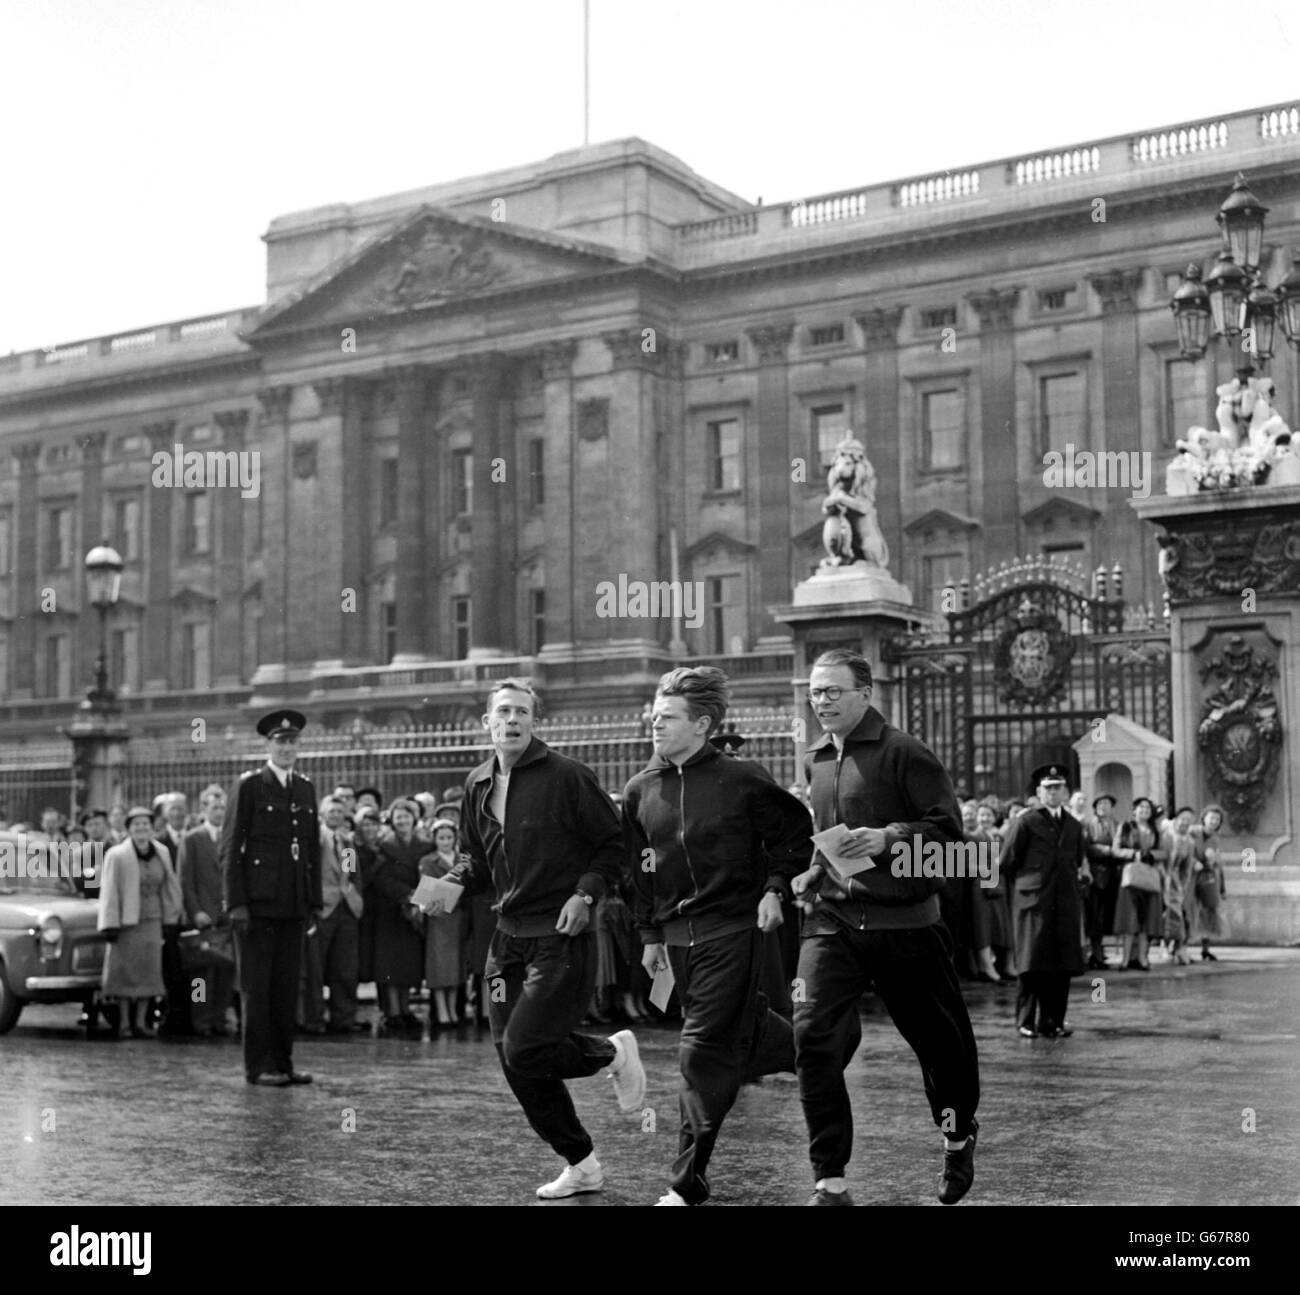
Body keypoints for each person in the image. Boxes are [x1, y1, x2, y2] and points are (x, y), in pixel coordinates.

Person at [434, 678, 644, 1200]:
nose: (512, 720)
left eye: (522, 713)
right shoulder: (476, 784)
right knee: (513, 1057)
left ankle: (609, 1054)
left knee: (526, 1047)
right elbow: (474, 860)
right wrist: (444, 888)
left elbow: (613, 844)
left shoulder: (568, 776)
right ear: (486, 722)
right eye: (502, 712)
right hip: (506, 942)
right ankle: (582, 1163)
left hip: (560, 935)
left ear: (534, 721)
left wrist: (586, 894)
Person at [789, 648, 980, 1207]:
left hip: (906, 925)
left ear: (866, 694)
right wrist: (812, 871)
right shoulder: (815, 758)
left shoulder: (905, 752)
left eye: (833, 691)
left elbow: (949, 840)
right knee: (812, 1035)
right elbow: (829, 836)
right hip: (834, 921)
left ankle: (957, 1135)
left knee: (940, 1046)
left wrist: (889, 837)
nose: (820, 701)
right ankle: (829, 1178)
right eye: (815, 691)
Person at [622, 665, 808, 1207]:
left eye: (668, 717)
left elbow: (794, 838)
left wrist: (776, 887)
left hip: (733, 929)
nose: (656, 724)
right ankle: (807, 1046)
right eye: (653, 716)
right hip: (679, 938)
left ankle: (686, 1180)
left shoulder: (744, 778)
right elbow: (639, 873)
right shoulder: (638, 791)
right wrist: (650, 934)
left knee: (699, 1050)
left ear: (702, 725)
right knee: (737, 1032)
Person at [221, 709, 322, 1087]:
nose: (287, 748)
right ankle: (259, 1065)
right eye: (280, 742)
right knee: (257, 988)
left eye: (293, 741)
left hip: (293, 904)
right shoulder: (249, 786)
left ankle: (283, 1062)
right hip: (257, 905)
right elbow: (231, 847)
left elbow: (311, 850)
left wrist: (312, 902)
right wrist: (236, 903)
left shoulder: (305, 788)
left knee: (285, 987)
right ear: (268, 745)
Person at [999, 766, 1089, 1039]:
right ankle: (1025, 1021)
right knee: (1032, 964)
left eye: (1058, 787)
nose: (1053, 792)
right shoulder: (1026, 821)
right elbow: (1007, 862)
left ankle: (1053, 1021)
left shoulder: (1073, 825)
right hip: (1033, 903)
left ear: (1066, 792)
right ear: (1039, 792)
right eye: (1047, 788)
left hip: (1064, 903)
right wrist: (1029, 887)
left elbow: (1077, 860)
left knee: (1061, 965)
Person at [97, 806, 184, 1038]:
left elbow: (169, 884)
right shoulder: (116, 855)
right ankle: (124, 1022)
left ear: (152, 827)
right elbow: (110, 891)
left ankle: (141, 1021)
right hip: (127, 922)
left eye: (146, 824)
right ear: (128, 829)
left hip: (153, 920)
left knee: (149, 972)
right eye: (136, 825)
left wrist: (172, 916)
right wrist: (110, 923)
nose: (142, 829)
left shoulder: (162, 852)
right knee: (125, 972)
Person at [301, 794, 365, 1034]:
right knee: (315, 971)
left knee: (345, 969)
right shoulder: (315, 841)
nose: (336, 815)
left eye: (340, 812)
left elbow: (350, 874)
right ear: (322, 814)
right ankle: (314, 1020)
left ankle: (344, 1018)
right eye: (331, 811)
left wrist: (353, 897)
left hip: (345, 909)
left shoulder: (347, 842)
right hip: (322, 910)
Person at [177, 785, 236, 1037]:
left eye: (223, 807)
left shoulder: (233, 837)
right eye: (215, 807)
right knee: (201, 975)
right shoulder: (192, 839)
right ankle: (200, 1019)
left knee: (226, 970)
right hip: (203, 916)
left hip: (228, 916)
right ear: (203, 809)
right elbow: (185, 881)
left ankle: (219, 1018)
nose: (220, 812)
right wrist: (195, 911)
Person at [371, 797, 427, 1036]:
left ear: (414, 818)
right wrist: (407, 895)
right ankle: (393, 1012)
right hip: (391, 911)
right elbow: (381, 879)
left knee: (409, 965)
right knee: (391, 966)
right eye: (398, 817)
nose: (403, 820)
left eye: (407, 815)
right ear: (392, 821)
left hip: (415, 913)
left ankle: (405, 1009)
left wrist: (420, 900)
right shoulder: (384, 846)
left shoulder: (425, 845)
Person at [420, 817, 466, 1028]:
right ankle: (442, 1010)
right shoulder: (428, 861)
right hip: (439, 917)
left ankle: (453, 1009)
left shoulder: (463, 859)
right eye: (441, 838)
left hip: (459, 917)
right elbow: (426, 893)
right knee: (439, 966)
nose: (445, 842)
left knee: (457, 966)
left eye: (449, 837)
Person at [1114, 797, 1167, 971]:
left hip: (1149, 877)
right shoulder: (1126, 827)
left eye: (1147, 808)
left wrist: (1151, 855)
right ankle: (1126, 958)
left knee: (1147, 920)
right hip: (1131, 877)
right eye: (1141, 807)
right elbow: (1116, 850)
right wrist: (1134, 854)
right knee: (1130, 919)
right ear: (1134, 810)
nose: (1144, 810)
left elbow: (1164, 852)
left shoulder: (1156, 830)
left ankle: (1144, 958)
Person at [1081, 794, 1123, 969]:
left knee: (1107, 915)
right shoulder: (1089, 825)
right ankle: (1095, 953)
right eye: (1100, 804)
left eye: (1107, 803)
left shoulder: (1118, 825)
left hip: (1113, 874)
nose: (1103, 807)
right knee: (1095, 916)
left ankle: (1100, 952)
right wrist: (1106, 850)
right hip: (1097, 873)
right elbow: (1085, 846)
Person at [1190, 805, 1227, 961]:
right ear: (1203, 818)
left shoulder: (1215, 839)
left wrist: (1223, 887)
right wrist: (1193, 863)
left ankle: (1205, 949)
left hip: (1208, 877)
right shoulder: (1192, 832)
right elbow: (1182, 850)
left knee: (1208, 911)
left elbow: (1218, 864)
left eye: (1217, 819)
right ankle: (1177, 947)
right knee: (1189, 910)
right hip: (1191, 875)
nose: (1214, 821)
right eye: (1211, 817)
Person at [1163, 807, 1198, 965]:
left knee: (1177, 914)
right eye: (1183, 819)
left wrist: (1182, 886)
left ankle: (1178, 946)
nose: (1185, 823)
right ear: (1176, 819)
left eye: (1189, 821)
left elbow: (1187, 867)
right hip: (1160, 877)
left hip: (1175, 881)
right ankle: (1165, 945)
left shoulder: (1189, 841)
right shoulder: (1166, 836)